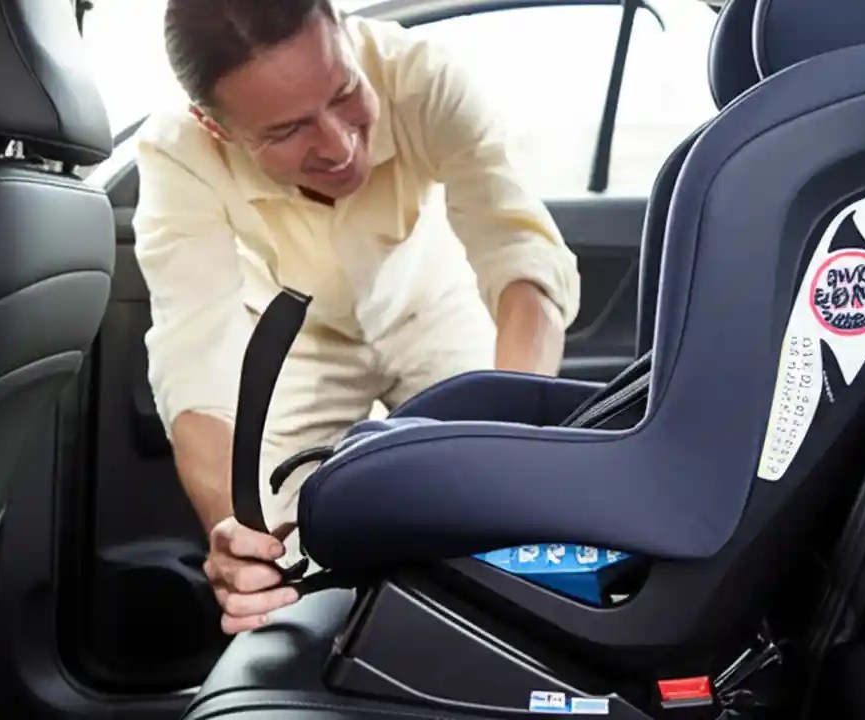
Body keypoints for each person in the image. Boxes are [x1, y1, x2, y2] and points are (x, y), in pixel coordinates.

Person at [132, 0, 581, 634]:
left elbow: (521, 257)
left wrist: (510, 450)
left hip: (432, 303)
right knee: (277, 570)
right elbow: (194, 357)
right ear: (215, 128)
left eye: (344, 93)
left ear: (343, 30)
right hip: (297, 340)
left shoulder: (423, 75)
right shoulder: (177, 153)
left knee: (505, 535)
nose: (338, 147)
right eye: (287, 131)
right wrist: (229, 533)